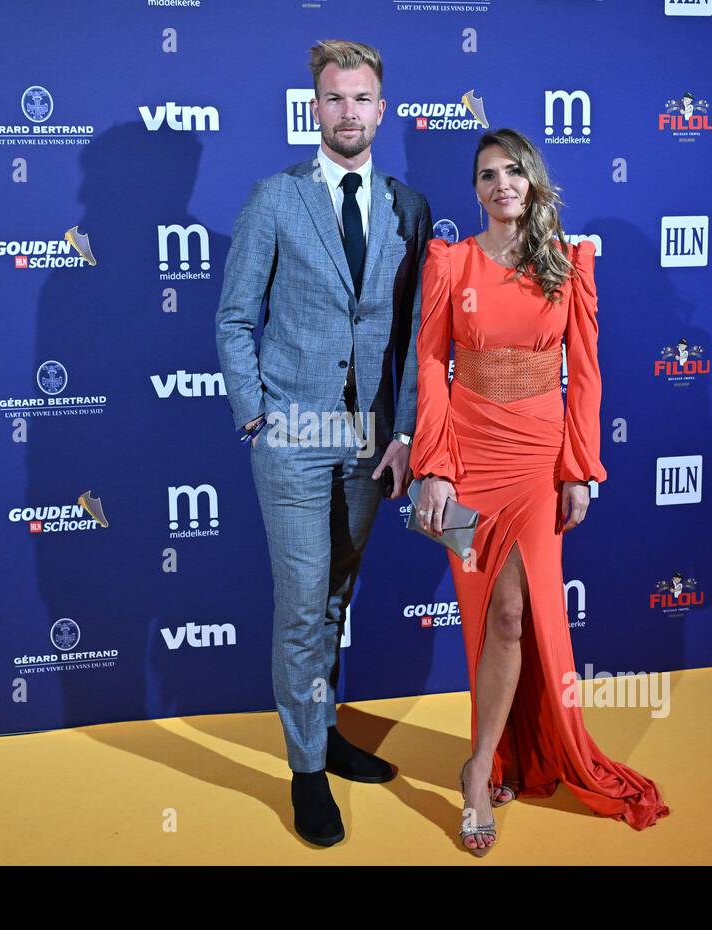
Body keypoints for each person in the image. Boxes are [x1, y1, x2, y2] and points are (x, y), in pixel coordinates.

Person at [410, 128, 669, 856]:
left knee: (516, 615)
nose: (502, 185)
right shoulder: (451, 260)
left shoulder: (566, 263)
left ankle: (476, 768)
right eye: (488, 175)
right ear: (476, 189)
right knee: (484, 617)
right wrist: (433, 462)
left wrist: (579, 467)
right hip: (468, 450)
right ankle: (486, 761)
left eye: (513, 172)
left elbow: (584, 373)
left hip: (536, 452)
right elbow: (432, 366)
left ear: (532, 181)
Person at [214, 39, 432, 847]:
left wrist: (405, 429)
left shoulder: (410, 208)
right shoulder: (274, 199)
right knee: (304, 605)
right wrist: (255, 419)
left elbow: (415, 333)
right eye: (335, 98)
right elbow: (237, 318)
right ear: (316, 109)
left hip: (372, 440)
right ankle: (307, 774)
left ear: (382, 109)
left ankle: (326, 729)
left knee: (337, 599)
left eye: (362, 98)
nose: (349, 112)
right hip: (295, 436)